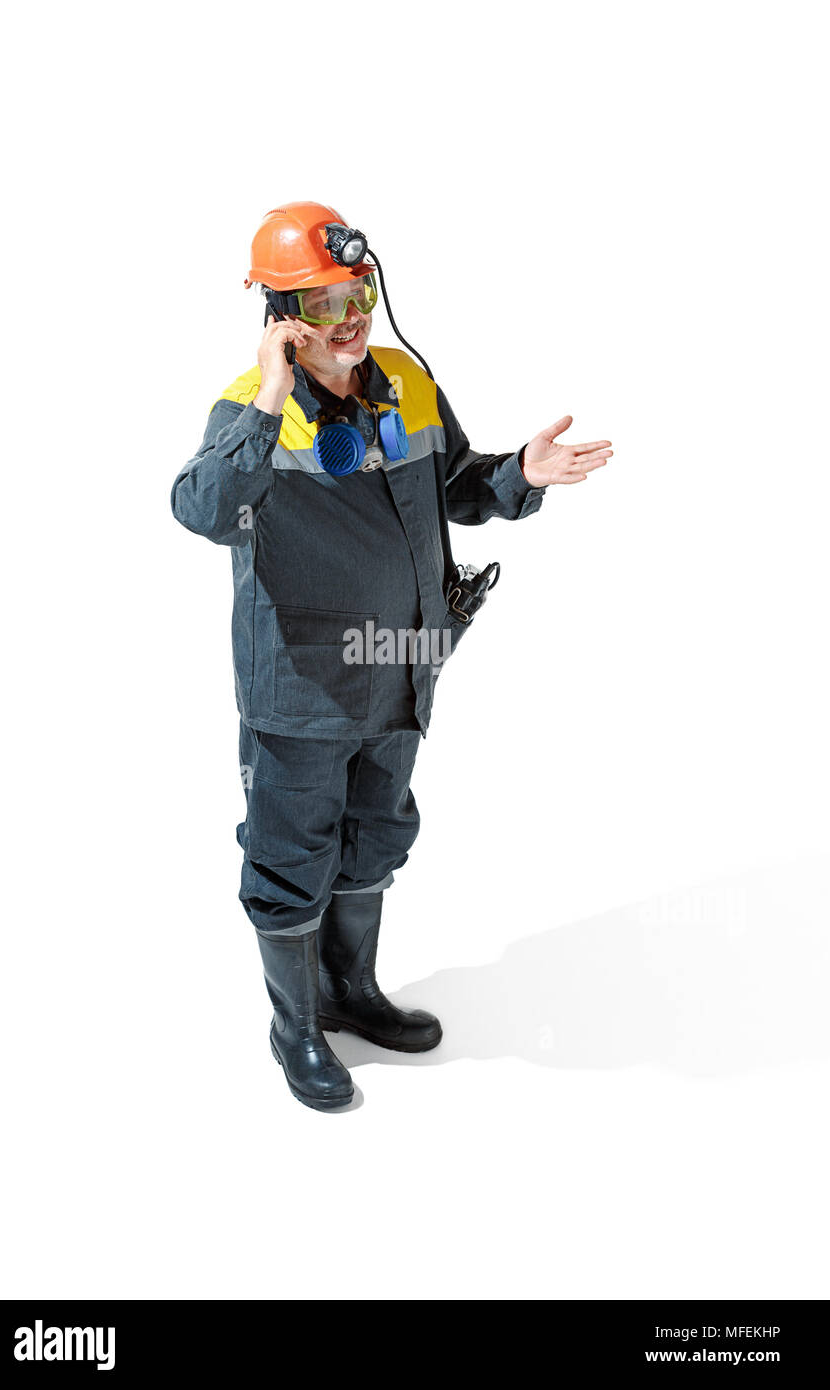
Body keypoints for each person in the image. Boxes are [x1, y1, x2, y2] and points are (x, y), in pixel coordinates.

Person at [170, 201, 612, 1111]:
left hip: (403, 667)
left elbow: (456, 484)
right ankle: (294, 1026)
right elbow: (203, 510)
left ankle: (351, 991)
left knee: (377, 836)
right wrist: (269, 396)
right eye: (326, 303)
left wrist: (517, 477)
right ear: (281, 319)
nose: (352, 317)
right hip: (299, 691)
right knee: (293, 853)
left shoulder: (405, 381)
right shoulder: (251, 411)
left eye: (359, 292)